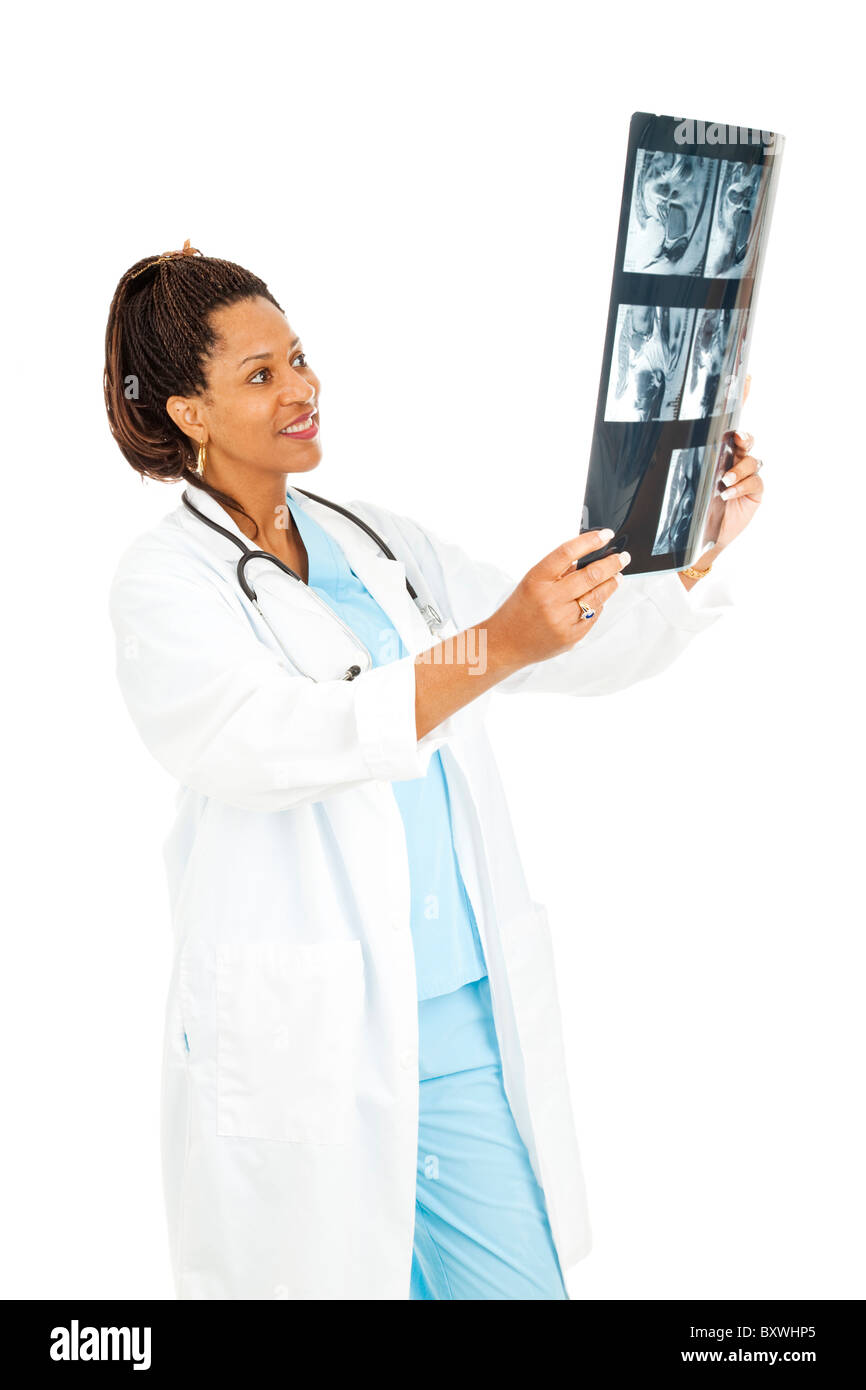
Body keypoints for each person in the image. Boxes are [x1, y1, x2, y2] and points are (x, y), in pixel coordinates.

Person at [104, 241, 764, 1301]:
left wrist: (688, 553)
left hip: (454, 1010)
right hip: (306, 1040)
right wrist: (490, 645)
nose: (304, 387)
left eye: (300, 357)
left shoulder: (377, 540)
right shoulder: (164, 583)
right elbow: (269, 738)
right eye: (260, 373)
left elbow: (555, 645)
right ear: (188, 411)